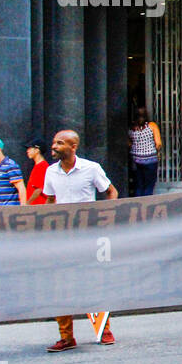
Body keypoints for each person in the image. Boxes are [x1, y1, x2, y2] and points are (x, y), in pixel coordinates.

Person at [42, 130, 119, 352]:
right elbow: (49, 200)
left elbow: (111, 192)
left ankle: (104, 329)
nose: (54, 146)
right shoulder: (50, 172)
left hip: (89, 237)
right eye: (53, 142)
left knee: (93, 281)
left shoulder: (91, 168)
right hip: (62, 238)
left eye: (60, 143)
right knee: (60, 284)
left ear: (73, 147)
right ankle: (66, 337)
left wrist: (106, 218)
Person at [128, 108, 162, 197]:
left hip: (136, 160)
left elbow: (129, 143)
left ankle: (137, 202)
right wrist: (157, 152)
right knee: (149, 185)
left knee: (138, 184)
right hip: (150, 159)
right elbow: (158, 143)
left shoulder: (132, 128)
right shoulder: (152, 126)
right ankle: (146, 203)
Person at [23, 139, 49, 205]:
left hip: (39, 208)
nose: (27, 151)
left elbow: (39, 189)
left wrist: (27, 204)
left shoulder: (43, 166)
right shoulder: (37, 166)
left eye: (30, 148)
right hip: (35, 208)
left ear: (37, 150)